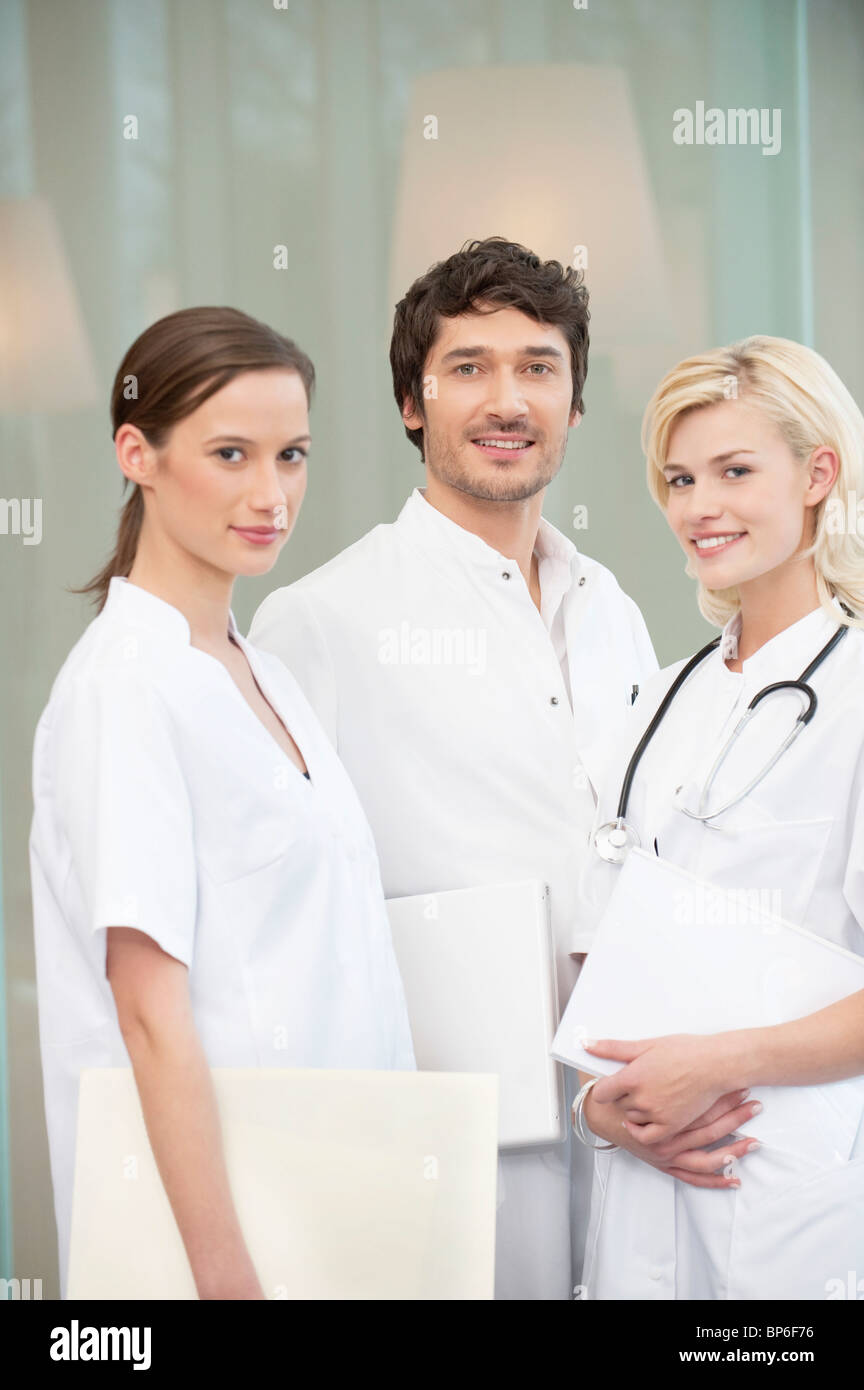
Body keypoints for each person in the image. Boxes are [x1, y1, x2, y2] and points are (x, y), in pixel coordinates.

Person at [248, 237, 659, 1300]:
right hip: (438, 1135)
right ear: (410, 403)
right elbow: (278, 917)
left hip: (631, 1109)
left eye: (537, 366)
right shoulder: (322, 620)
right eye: (468, 366)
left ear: (574, 402)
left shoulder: (614, 610)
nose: (506, 398)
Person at [29, 306, 415, 1301]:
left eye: (291, 455)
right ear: (137, 452)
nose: (270, 493)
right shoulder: (129, 687)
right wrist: (227, 1282)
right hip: (225, 1249)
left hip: (337, 1202)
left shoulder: (260, 673)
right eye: (230, 453)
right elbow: (150, 1012)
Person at [571, 334, 864, 1300]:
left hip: (799, 1188)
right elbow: (597, 957)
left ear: (818, 473)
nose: (700, 507)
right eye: (680, 477)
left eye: (735, 471)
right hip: (642, 1185)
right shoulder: (652, 707)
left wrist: (718, 1065)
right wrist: (597, 1110)